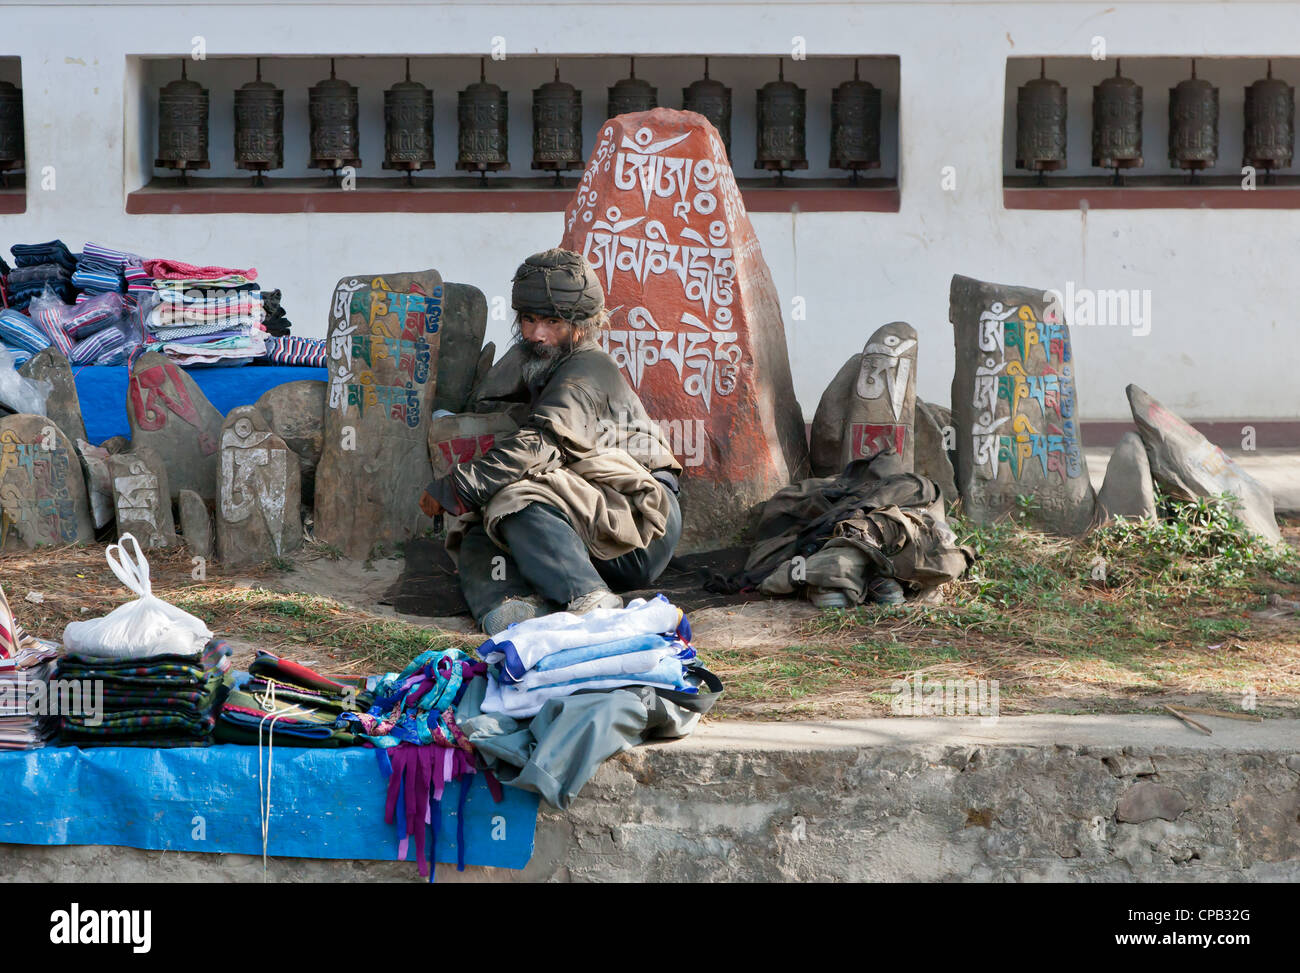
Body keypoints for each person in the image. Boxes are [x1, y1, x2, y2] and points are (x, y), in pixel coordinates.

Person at [420, 248, 684, 636]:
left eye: (552, 322)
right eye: (527, 319)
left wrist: (456, 486)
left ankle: (590, 598)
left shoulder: (587, 370)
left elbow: (538, 445)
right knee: (482, 524)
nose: (535, 333)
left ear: (583, 324)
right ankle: (510, 609)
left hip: (641, 523)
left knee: (516, 499)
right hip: (596, 519)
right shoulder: (544, 359)